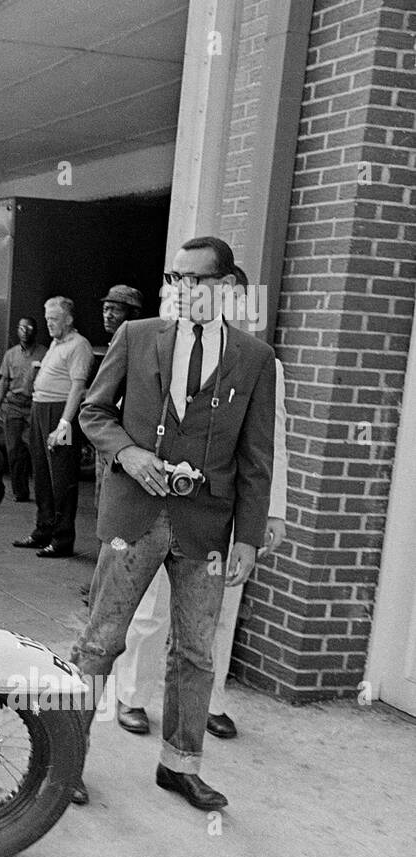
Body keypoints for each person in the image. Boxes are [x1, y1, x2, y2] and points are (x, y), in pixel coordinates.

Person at [69, 235, 276, 810]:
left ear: (228, 288)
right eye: (175, 279)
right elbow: (93, 411)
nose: (183, 291)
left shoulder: (255, 359)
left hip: (207, 528)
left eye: (196, 280)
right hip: (135, 515)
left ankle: (180, 765)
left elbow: (258, 459)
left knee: (194, 653)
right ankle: (66, 762)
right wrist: (129, 455)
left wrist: (249, 539)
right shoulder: (135, 338)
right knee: (101, 641)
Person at [113, 267, 286, 740]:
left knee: (214, 618)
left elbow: (270, 446)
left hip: (218, 511)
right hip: (153, 503)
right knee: (148, 608)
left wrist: (272, 512)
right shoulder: (153, 341)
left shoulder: (259, 361)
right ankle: (133, 695)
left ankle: (207, 703)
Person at [14, 297, 92, 557]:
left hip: (61, 413)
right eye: (47, 319)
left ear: (68, 319)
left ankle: (62, 540)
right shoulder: (56, 345)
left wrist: (63, 425)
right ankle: (43, 531)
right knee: (42, 475)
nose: (49, 324)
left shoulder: (79, 345)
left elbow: (78, 388)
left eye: (54, 319)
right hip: (40, 410)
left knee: (62, 477)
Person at [94, 285, 144, 505]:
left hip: (127, 436)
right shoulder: (113, 344)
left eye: (115, 309)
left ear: (132, 313)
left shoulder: (139, 344)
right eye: (105, 309)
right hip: (108, 430)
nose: (108, 315)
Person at [0, 316, 47, 503]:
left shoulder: (44, 353)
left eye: (30, 328)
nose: (25, 332)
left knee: (36, 449)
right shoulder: (11, 354)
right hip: (14, 405)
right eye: (22, 328)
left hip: (34, 405)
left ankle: (42, 492)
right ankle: (20, 492)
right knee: (14, 451)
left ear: (36, 331)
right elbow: (4, 380)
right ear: (17, 331)